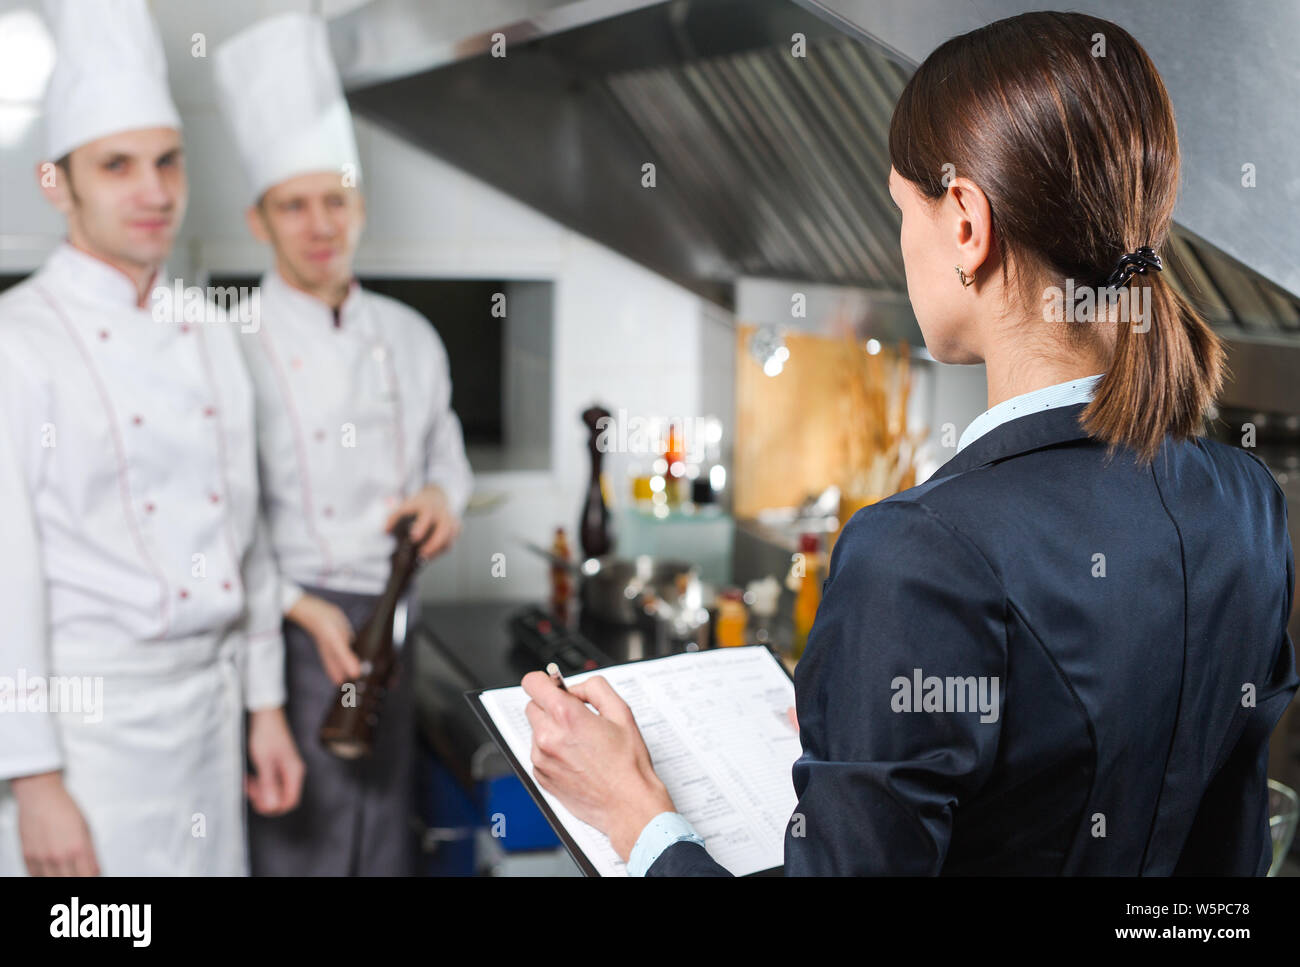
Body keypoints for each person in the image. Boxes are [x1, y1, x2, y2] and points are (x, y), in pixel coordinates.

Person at [520, 10, 1299, 876]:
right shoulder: (1246, 501)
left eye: (903, 208)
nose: (901, 243)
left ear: (965, 222)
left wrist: (636, 817)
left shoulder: (922, 553)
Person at [0, 0, 302, 876]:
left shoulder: (209, 328)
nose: (154, 190)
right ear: (60, 183)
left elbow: (245, 541)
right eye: (118, 164)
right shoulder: (17, 342)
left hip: (209, 720)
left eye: (168, 160)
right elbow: (3, 579)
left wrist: (266, 706)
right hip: (88, 741)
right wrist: (34, 780)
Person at [213, 12, 474, 876]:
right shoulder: (228, 344)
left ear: (360, 205)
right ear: (259, 218)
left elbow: (446, 451)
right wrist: (298, 605)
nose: (319, 224)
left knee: (381, 838)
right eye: (294, 205)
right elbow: (216, 520)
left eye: (336, 200)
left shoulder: (409, 335)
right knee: (300, 843)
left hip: (393, 612)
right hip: (287, 627)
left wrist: (443, 498)